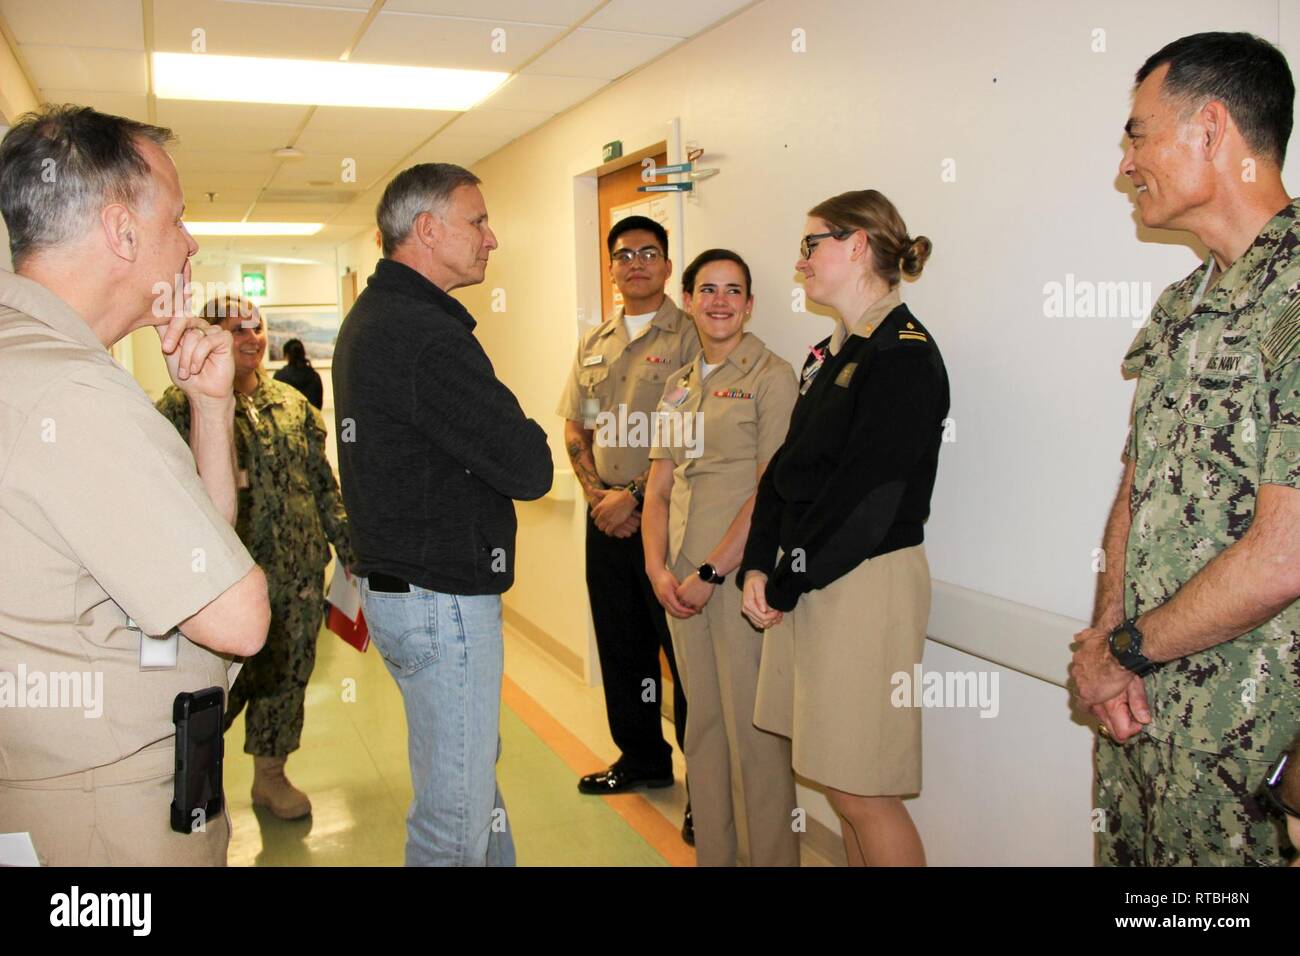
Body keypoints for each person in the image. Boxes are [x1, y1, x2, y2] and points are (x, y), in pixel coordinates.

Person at [0, 105, 269, 865]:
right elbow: (236, 616)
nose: (190, 242)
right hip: (106, 817)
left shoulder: (26, 356)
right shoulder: (75, 394)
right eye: (177, 219)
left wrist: (210, 411)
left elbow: (191, 559)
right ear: (123, 233)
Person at [1070, 31, 1300, 867]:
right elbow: (1137, 487)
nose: (1126, 166)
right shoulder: (1181, 306)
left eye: (1137, 134)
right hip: (1143, 722)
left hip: (1249, 745)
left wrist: (1123, 651)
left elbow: (1287, 553)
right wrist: (1106, 640)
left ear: (1208, 131)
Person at [332, 163, 552, 866]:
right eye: (478, 221)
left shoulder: (378, 317)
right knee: (451, 823)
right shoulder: (423, 335)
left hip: (409, 592)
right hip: (440, 601)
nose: (493, 238)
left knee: (469, 790)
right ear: (426, 230)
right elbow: (528, 465)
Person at [739, 190, 947, 868]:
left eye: (811, 245)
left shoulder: (902, 353)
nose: (800, 261)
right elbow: (785, 472)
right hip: (813, 577)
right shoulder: (832, 351)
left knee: (866, 791)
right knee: (839, 779)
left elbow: (871, 502)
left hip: (863, 582)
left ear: (858, 245)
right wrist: (758, 566)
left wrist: (786, 579)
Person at [157, 296, 355, 820]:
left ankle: (271, 777)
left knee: (287, 681)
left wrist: (351, 553)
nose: (252, 338)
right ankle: (196, 781)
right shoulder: (182, 407)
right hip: (225, 586)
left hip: (298, 579)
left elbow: (323, 485)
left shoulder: (293, 406)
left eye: (257, 327)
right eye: (236, 329)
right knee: (215, 687)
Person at [642, 249, 799, 866]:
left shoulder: (772, 376)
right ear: (688, 300)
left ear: (751, 304)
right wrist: (659, 568)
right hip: (681, 581)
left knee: (754, 735)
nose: (719, 301)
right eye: (707, 289)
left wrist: (713, 571)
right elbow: (659, 488)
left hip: (736, 582)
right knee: (701, 725)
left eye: (734, 290)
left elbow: (772, 488)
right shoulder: (679, 386)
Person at [557, 215, 699, 836]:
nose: (636, 263)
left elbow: (696, 436)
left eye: (649, 253)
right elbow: (575, 428)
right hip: (604, 518)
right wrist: (598, 497)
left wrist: (635, 497)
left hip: (670, 521)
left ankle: (709, 788)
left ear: (667, 266)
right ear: (612, 270)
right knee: (622, 645)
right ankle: (643, 758)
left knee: (686, 657)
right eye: (623, 255)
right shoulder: (594, 344)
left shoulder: (693, 336)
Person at [274, 337, 323, 409]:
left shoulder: (280, 376)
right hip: (312, 418)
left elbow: (276, 404)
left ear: (286, 355)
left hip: (288, 419)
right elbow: (318, 404)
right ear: (303, 354)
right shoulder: (314, 376)